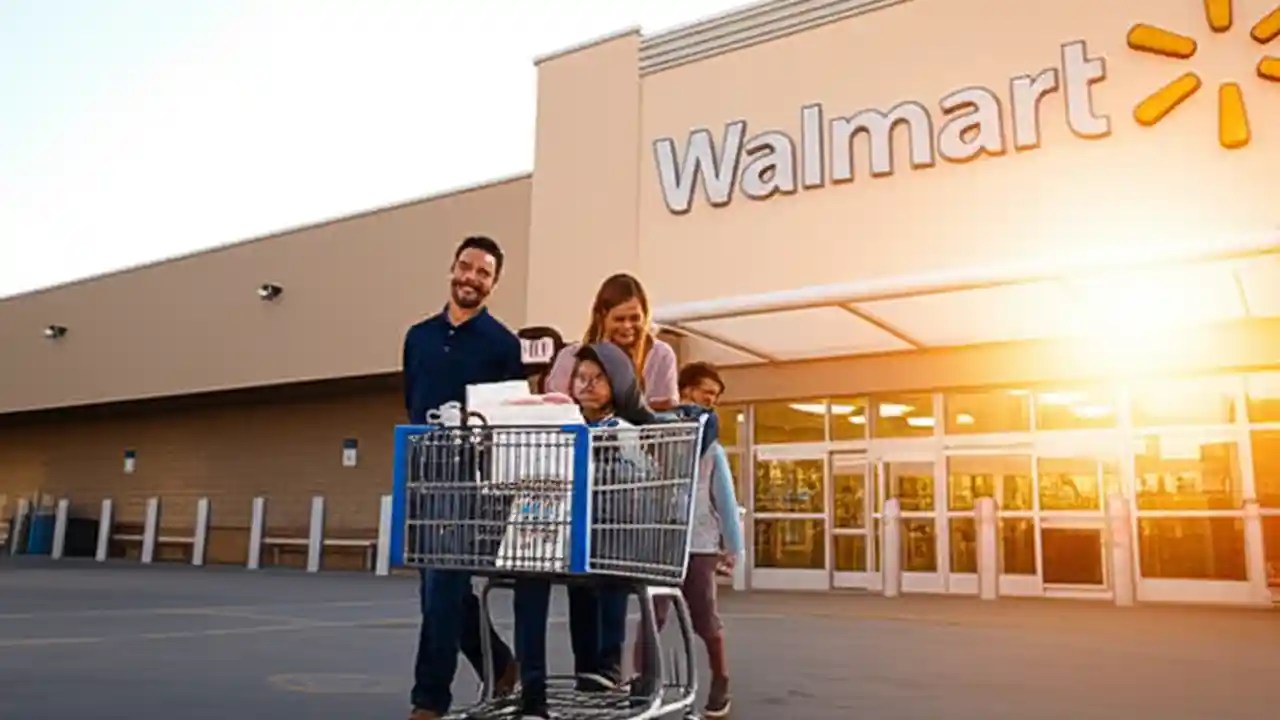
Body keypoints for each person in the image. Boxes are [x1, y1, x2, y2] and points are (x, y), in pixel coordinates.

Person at [402, 235, 526, 720]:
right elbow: (412, 398)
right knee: (437, 590)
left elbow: (509, 418)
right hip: (423, 475)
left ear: (494, 283)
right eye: (466, 267)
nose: (471, 278)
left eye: (483, 272)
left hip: (469, 483)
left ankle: (428, 701)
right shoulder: (419, 336)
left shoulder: (502, 345)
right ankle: (500, 664)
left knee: (442, 588)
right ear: (452, 268)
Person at [541, 273, 681, 687]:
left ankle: (607, 668)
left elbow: (664, 423)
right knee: (581, 580)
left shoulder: (658, 356)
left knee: (615, 574)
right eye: (619, 318)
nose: (628, 328)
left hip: (629, 483)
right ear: (601, 315)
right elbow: (555, 411)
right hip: (579, 482)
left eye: (635, 318)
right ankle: (590, 673)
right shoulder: (573, 356)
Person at [512, 342, 660, 719]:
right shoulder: (560, 424)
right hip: (558, 532)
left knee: (605, 569)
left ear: (618, 385)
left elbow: (638, 482)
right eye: (581, 377)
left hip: (606, 536)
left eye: (599, 378)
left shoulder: (622, 432)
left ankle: (604, 664)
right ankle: (534, 689)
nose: (588, 384)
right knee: (531, 577)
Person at [630, 361, 743, 718]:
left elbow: (724, 498)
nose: (709, 401)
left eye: (714, 397)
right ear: (687, 390)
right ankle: (639, 681)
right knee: (652, 614)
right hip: (663, 538)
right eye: (705, 393)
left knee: (703, 616)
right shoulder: (658, 435)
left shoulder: (711, 448)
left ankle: (720, 679)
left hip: (699, 544)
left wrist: (733, 546)